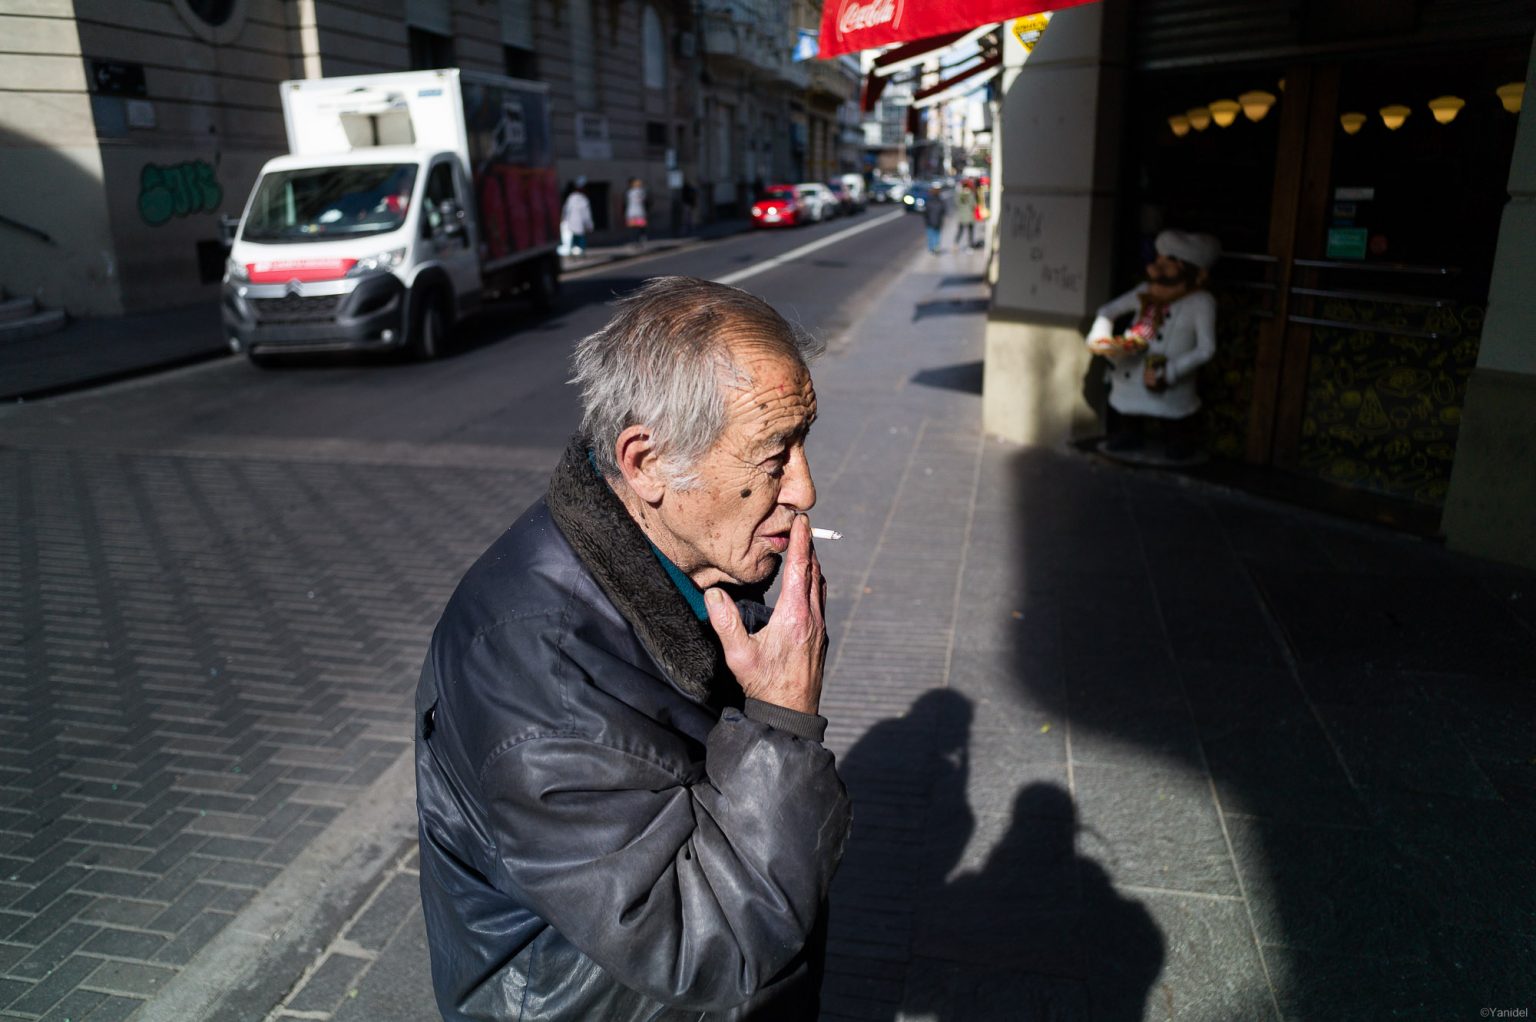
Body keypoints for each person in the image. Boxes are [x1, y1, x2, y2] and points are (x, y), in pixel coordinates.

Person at [415, 276, 853, 1021]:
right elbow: (707, 945)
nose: (804, 489)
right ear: (646, 463)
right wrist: (780, 722)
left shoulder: (686, 553)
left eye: (802, 443)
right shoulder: (538, 673)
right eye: (774, 456)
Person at [1085, 230, 1221, 462]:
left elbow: (1206, 348)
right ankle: (1130, 432)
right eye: (1158, 263)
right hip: (1132, 366)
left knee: (1173, 411)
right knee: (1129, 405)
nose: (1158, 270)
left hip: (1170, 377)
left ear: (1189, 271)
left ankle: (1178, 440)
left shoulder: (1202, 302)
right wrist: (1101, 338)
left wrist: (1172, 371)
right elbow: (1107, 311)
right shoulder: (1145, 292)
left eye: (1167, 266)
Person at [561, 178, 593, 256]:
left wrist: (564, 220)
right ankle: (578, 255)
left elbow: (566, 211)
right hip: (577, 226)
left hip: (572, 225)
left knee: (575, 243)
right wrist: (589, 225)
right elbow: (586, 215)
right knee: (578, 244)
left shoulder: (572, 198)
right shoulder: (583, 199)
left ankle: (576, 256)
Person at [952, 180, 976, 250]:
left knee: (960, 231)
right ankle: (970, 246)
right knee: (970, 232)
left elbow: (956, 203)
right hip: (969, 217)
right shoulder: (971, 195)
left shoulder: (959, 195)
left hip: (962, 217)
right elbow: (973, 205)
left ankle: (955, 244)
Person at [624, 176, 648, 247]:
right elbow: (644, 199)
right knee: (639, 228)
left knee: (633, 229)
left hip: (631, 214)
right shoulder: (641, 192)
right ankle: (639, 241)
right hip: (639, 213)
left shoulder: (629, 192)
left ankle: (634, 241)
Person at [922, 182, 946, 254]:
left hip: (930, 221)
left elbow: (925, 211)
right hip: (937, 221)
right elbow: (943, 210)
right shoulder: (940, 199)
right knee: (936, 234)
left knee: (931, 235)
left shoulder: (929, 199)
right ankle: (935, 247)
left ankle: (932, 248)